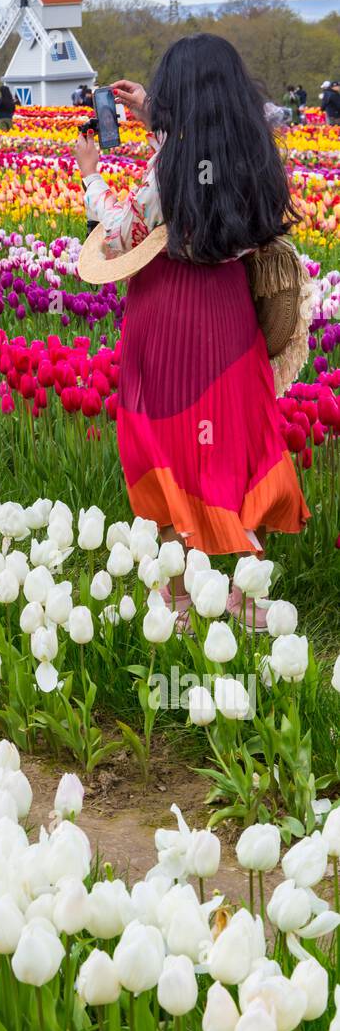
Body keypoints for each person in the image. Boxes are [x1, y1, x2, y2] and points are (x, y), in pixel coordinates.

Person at [74, 32, 308, 624]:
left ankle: (178, 592)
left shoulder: (170, 167)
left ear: (180, 101)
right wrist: (156, 110)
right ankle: (250, 594)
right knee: (232, 438)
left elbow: (121, 231)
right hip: (230, 315)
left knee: (169, 441)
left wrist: (91, 177)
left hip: (168, 311)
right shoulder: (253, 155)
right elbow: (221, 120)